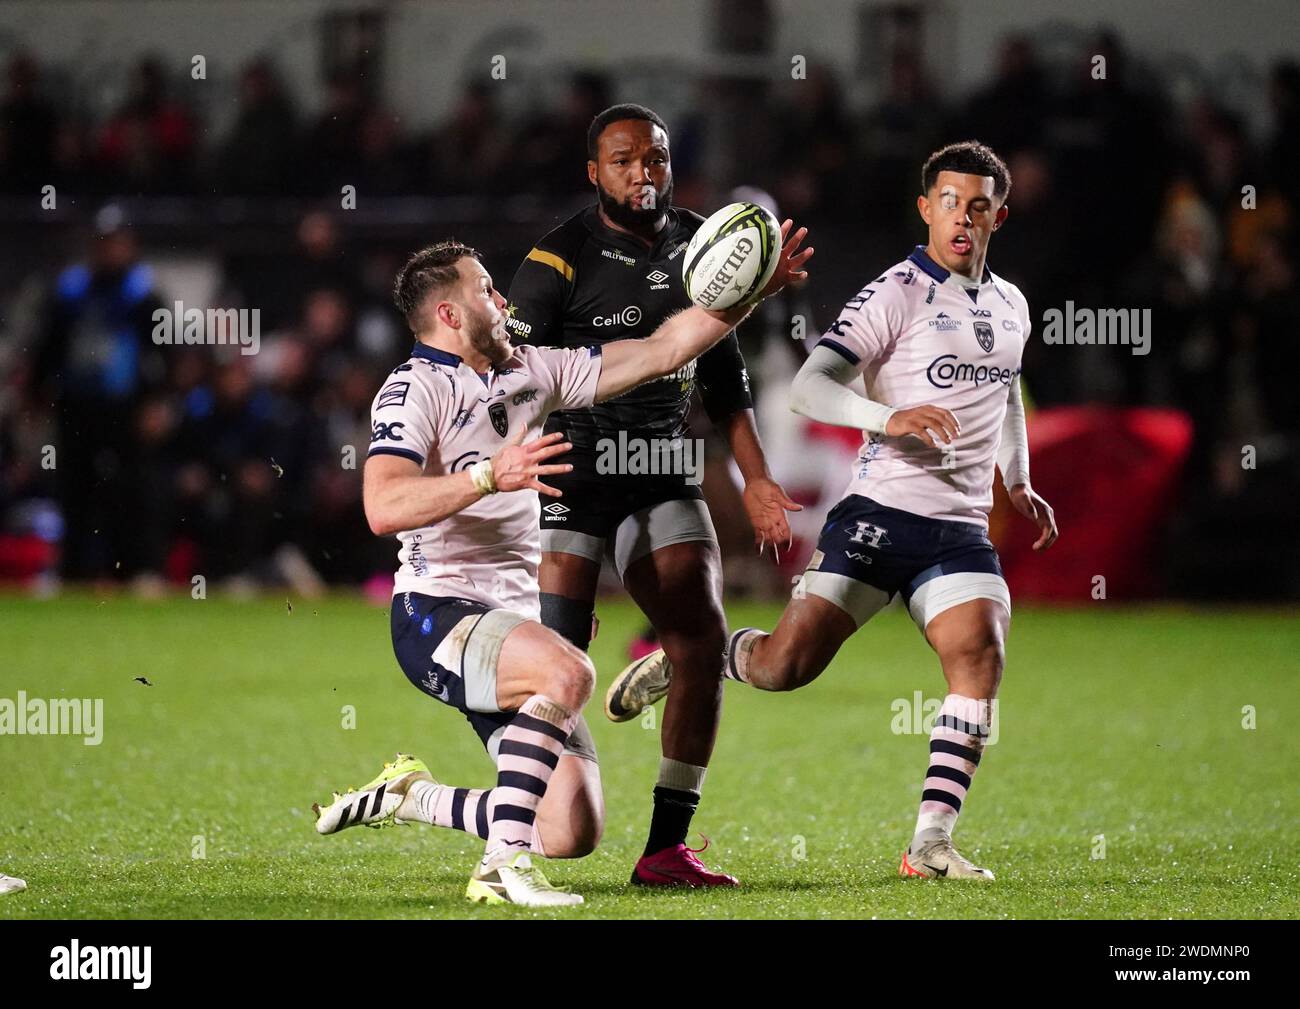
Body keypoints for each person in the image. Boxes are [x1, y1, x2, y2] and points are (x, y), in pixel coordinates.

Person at [312, 228, 810, 907]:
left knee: (571, 828)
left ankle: (412, 796)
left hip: (511, 619)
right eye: (486, 288)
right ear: (451, 315)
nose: (502, 297)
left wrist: (748, 290)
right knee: (569, 670)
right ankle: (498, 868)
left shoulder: (532, 370)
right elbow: (382, 503)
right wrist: (490, 474)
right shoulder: (412, 390)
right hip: (437, 613)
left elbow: (664, 349)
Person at [607, 141, 1057, 881]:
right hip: (879, 514)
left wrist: (1020, 475)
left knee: (979, 656)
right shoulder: (896, 292)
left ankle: (930, 841)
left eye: (978, 206)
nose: (962, 218)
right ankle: (708, 654)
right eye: (948, 202)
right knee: (784, 669)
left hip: (959, 530)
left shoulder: (1011, 303)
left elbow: (1006, 391)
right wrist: (889, 418)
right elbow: (810, 388)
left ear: (998, 216)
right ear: (927, 208)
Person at [504, 104, 803, 887]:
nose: (645, 172)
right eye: (626, 159)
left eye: (658, 158)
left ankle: (666, 848)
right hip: (569, 472)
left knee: (699, 636)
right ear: (594, 172)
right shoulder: (555, 260)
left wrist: (759, 478)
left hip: (663, 467)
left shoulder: (706, 244)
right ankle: (522, 824)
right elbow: (513, 381)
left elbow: (726, 383)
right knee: (557, 663)